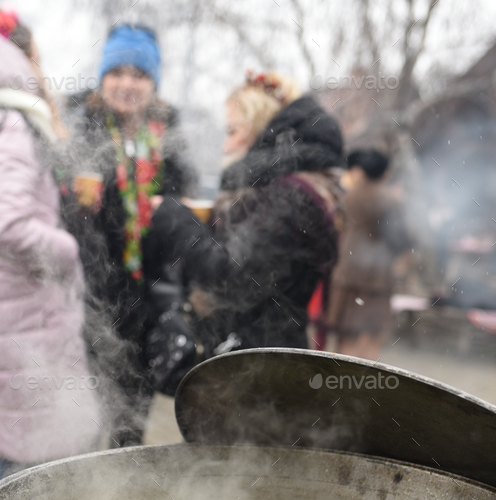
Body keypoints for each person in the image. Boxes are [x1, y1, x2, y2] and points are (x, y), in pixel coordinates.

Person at [0, 9, 102, 480]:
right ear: (16, 57)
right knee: (39, 469)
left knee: (25, 454)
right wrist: (66, 249)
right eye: (36, 59)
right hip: (27, 317)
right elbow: (6, 225)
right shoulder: (7, 123)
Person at [68, 24, 197, 445]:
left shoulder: (169, 142)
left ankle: (122, 499)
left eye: (139, 75)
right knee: (84, 419)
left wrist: (172, 212)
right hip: (88, 298)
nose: (127, 84)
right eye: (117, 72)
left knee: (130, 422)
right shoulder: (78, 133)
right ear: (102, 80)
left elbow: (186, 220)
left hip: (149, 299)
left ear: (153, 85)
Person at [154, 71, 343, 355]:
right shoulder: (287, 191)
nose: (225, 146)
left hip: (262, 363)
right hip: (262, 353)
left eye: (233, 132)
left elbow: (230, 277)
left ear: (262, 131)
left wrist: (177, 218)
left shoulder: (287, 198)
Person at [326, 148, 409, 360]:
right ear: (386, 173)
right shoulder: (389, 201)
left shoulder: (349, 196)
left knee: (344, 336)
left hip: (346, 273)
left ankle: (337, 377)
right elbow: (399, 238)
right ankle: (358, 382)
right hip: (375, 279)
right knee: (370, 336)